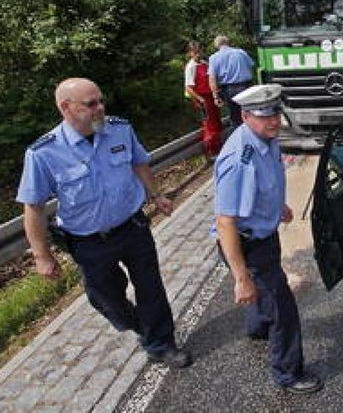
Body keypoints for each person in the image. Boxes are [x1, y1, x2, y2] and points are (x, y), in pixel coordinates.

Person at [16, 78, 192, 368]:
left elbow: (139, 163)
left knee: (150, 287)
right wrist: (41, 255)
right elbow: (33, 208)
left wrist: (156, 195)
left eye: (101, 101)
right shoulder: (44, 153)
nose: (100, 108)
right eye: (91, 104)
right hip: (88, 242)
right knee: (106, 300)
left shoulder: (119, 129)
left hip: (133, 227)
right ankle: (142, 326)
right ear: (66, 108)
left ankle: (161, 344)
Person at [213, 84, 322, 395]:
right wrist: (241, 277)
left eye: (276, 113)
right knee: (283, 309)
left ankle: (258, 326)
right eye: (264, 115)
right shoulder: (239, 161)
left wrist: (278, 206)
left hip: (263, 235)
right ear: (245, 116)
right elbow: (225, 222)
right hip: (246, 245)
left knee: (266, 294)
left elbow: (267, 182)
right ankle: (288, 373)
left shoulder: (266, 137)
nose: (274, 121)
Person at [185, 41, 223, 159]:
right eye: (195, 52)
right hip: (202, 99)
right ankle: (211, 151)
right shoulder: (190, 67)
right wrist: (200, 99)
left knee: (216, 122)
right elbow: (188, 88)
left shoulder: (204, 63)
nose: (198, 54)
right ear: (190, 53)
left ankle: (219, 148)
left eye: (199, 51)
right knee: (209, 125)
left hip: (211, 97)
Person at [208, 35, 255, 127]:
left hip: (229, 90)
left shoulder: (213, 58)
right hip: (246, 86)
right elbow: (251, 66)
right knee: (250, 113)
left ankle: (240, 132)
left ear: (216, 45)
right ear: (227, 42)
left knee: (236, 116)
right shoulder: (241, 52)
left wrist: (216, 96)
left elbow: (212, 79)